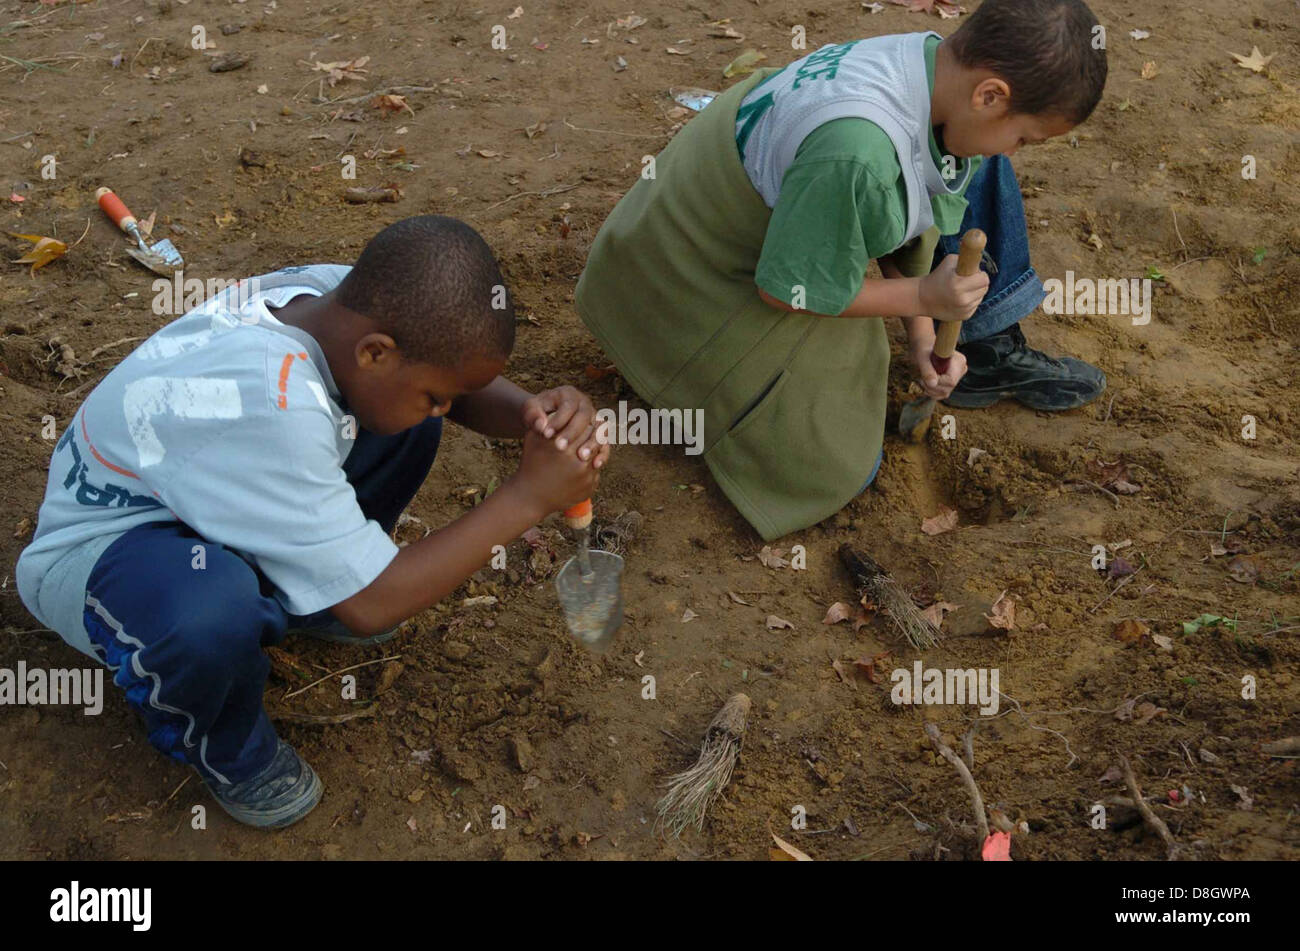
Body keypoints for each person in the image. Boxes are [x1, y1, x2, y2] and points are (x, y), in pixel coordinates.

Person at [17, 215, 609, 828]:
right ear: (376, 350)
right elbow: (375, 603)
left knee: (404, 417)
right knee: (207, 613)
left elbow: (442, 373)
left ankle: (309, 594)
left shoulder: (334, 300)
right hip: (104, 559)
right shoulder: (274, 408)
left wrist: (531, 416)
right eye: (439, 392)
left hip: (205, 493)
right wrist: (528, 497)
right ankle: (229, 750)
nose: (447, 406)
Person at [575, 0, 1107, 541]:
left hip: (738, 219)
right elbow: (788, 291)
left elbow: (909, 205)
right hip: (675, 285)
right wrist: (924, 296)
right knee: (841, 467)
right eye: (1025, 138)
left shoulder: (929, 62)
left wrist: (923, 338)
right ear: (989, 94)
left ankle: (988, 349)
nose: (1018, 151)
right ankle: (677, 379)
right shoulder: (857, 150)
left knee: (980, 162)